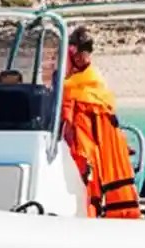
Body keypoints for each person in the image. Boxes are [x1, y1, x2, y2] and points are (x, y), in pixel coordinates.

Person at [60, 27, 140, 219]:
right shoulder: (71, 85)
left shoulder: (89, 84)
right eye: (76, 52)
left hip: (93, 148)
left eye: (83, 52)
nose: (80, 57)